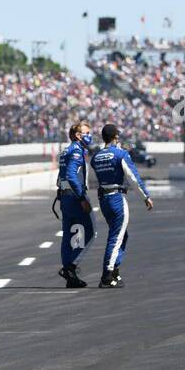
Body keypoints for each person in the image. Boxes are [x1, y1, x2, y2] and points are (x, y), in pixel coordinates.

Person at [88, 123, 153, 288]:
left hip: (103, 199)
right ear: (116, 137)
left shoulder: (96, 157)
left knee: (121, 235)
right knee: (116, 237)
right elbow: (133, 177)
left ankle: (115, 272)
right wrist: (145, 196)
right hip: (116, 197)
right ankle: (107, 275)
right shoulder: (120, 154)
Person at [54, 121, 94, 288]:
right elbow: (71, 175)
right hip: (73, 197)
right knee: (90, 232)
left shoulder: (66, 150)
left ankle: (71, 276)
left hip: (64, 197)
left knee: (68, 236)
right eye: (87, 133)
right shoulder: (77, 151)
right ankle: (70, 268)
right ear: (78, 135)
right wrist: (82, 197)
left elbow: (60, 176)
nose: (90, 136)